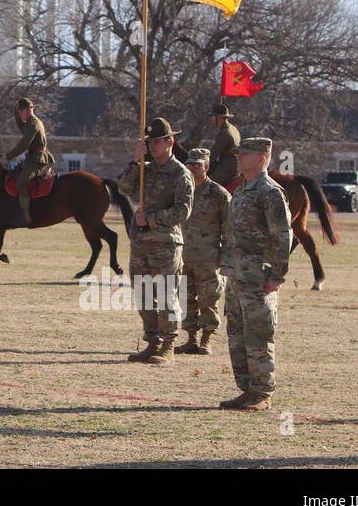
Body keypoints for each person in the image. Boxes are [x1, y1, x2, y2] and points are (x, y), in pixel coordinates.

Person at [219, 137, 292, 411]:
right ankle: (247, 389)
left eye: (244, 154)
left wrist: (277, 275)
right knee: (237, 334)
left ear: (261, 158)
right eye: (238, 153)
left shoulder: (270, 192)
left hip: (258, 277)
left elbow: (282, 236)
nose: (238, 158)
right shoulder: (242, 189)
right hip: (237, 276)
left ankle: (262, 392)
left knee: (258, 334)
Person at [119, 117, 194, 364]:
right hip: (141, 243)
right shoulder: (146, 169)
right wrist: (134, 160)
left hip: (165, 243)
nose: (152, 146)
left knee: (165, 295)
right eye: (149, 142)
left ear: (170, 142)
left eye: (157, 141)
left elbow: (182, 212)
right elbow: (123, 187)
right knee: (142, 294)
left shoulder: (181, 174)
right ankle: (152, 342)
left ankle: (168, 344)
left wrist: (149, 219)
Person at [177, 148, 230, 356]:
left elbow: (229, 228)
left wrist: (223, 256)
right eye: (189, 164)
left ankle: (207, 339)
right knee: (186, 298)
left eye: (197, 164)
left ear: (206, 166)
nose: (192, 168)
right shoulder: (181, 190)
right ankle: (191, 338)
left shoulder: (219, 194)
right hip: (183, 255)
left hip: (208, 257)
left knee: (209, 299)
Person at [4, 97, 51, 227]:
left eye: (20, 111)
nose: (19, 114)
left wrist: (8, 155)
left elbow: (24, 145)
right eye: (18, 112)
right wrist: (15, 111)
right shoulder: (30, 122)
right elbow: (21, 125)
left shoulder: (33, 124)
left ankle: (25, 216)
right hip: (33, 158)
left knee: (20, 182)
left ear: (27, 110)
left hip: (38, 159)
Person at [208, 103, 241, 188]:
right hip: (233, 164)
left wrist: (201, 160)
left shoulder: (224, 133)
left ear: (218, 118)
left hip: (228, 166)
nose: (211, 119)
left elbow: (214, 154)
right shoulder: (233, 128)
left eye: (213, 116)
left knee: (208, 184)